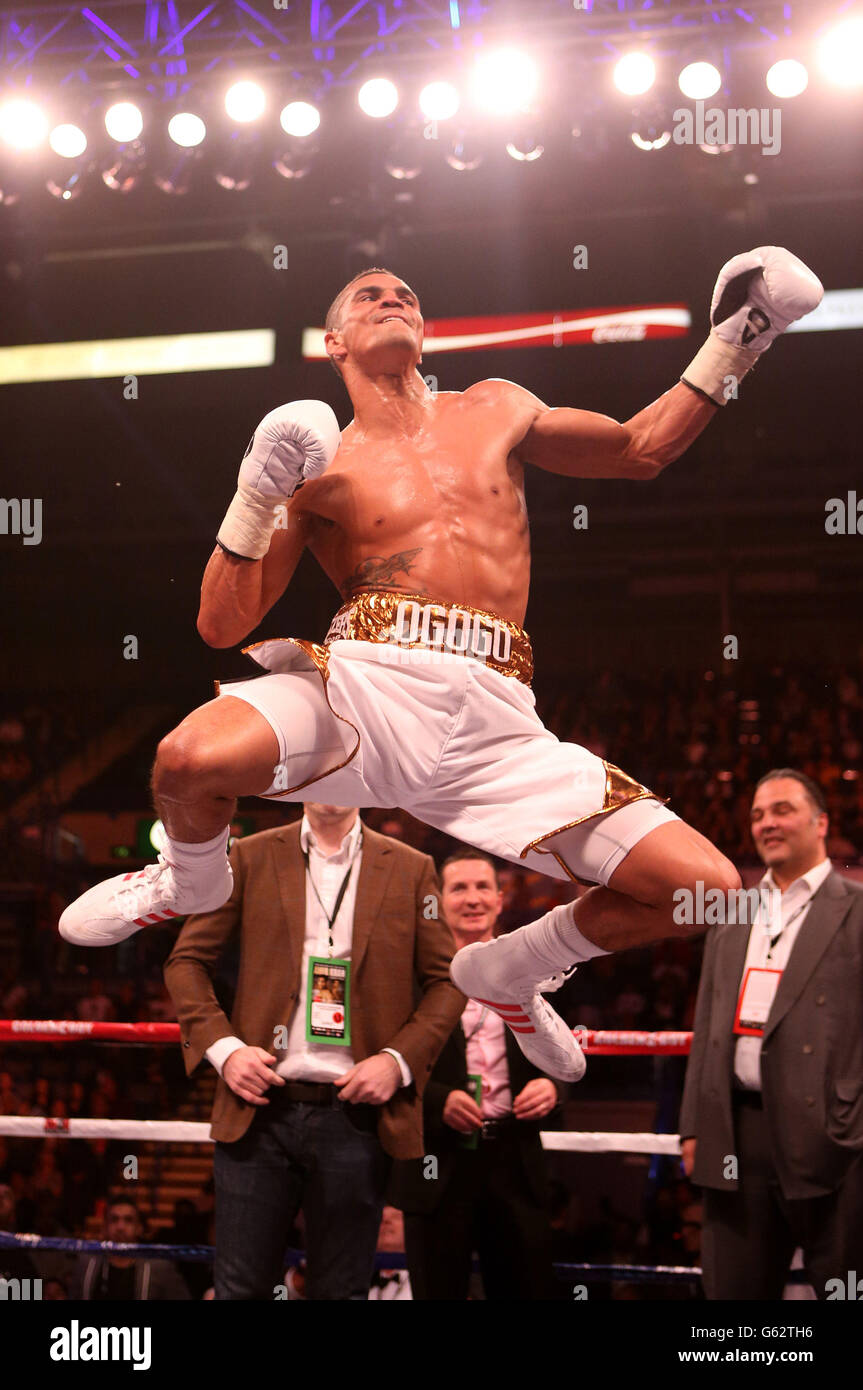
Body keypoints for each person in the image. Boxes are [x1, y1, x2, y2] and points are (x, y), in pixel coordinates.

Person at [59, 252, 823, 1083]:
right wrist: (258, 497)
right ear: (334, 340)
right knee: (187, 759)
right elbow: (220, 624)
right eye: (369, 296)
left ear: (422, 330)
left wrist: (740, 337)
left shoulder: (494, 407)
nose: (392, 299)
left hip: (499, 721)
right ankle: (189, 880)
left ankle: (508, 969)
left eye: (405, 294)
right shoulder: (316, 463)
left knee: (699, 889)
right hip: (367, 690)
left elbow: (640, 449)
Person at [163, 802, 464, 1300]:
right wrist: (224, 1049)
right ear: (299, 778)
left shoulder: (411, 867)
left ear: (365, 775)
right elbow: (186, 960)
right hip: (259, 1108)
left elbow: (448, 981)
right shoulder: (248, 856)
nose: (332, 779)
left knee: (342, 1292)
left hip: (358, 1115)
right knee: (238, 1290)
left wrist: (398, 1061)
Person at [679, 769, 863, 1299]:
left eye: (782, 810)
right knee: (734, 1301)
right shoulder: (734, 910)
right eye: (758, 814)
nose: (767, 823)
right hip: (738, 1132)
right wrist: (695, 1123)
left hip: (831, 1134)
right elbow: (708, 1021)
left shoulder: (854, 909)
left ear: (821, 821)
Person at [390, 849, 564, 1299]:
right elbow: (383, 1060)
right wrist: (438, 1100)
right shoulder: (408, 974)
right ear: (438, 899)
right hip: (437, 1162)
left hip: (514, 1157)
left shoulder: (537, 969)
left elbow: (565, 1052)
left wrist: (552, 1086)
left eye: (483, 887)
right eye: (459, 888)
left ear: (500, 899)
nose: (473, 899)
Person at [70, 1198, 190, 1300]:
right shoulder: (86, 1263)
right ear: (105, 1227)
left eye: (128, 1220)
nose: (120, 1227)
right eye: (114, 1220)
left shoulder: (160, 1267)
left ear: (139, 1228)